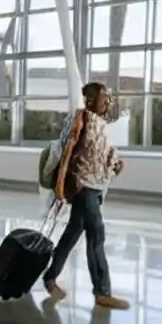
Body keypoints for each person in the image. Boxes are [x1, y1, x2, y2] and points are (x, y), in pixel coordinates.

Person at [42, 82, 129, 309]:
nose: (108, 102)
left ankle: (50, 278)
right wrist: (60, 185)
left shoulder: (103, 125)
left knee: (72, 233)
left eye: (109, 98)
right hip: (82, 186)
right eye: (104, 98)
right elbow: (66, 150)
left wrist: (116, 164)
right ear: (90, 100)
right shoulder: (80, 118)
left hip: (96, 186)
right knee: (96, 233)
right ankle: (102, 291)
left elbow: (101, 154)